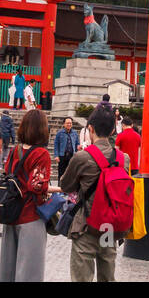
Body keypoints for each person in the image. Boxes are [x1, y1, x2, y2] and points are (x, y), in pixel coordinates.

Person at [58, 105, 130, 282]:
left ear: (90, 128)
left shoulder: (82, 157)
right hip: (109, 229)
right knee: (107, 275)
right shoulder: (124, 159)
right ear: (113, 129)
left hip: (86, 227)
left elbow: (66, 186)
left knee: (82, 277)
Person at [0, 109, 52, 282]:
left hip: (11, 212)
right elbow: (36, 185)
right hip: (30, 214)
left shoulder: (16, 151)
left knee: (8, 269)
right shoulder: (41, 153)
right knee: (30, 272)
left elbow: (7, 174)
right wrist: (54, 190)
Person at [54, 117, 80, 181]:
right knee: (61, 173)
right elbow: (56, 144)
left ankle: (69, 189)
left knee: (71, 173)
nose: (69, 124)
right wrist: (56, 155)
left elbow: (77, 143)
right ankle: (60, 189)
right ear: (64, 124)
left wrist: (77, 151)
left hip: (72, 156)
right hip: (62, 156)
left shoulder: (75, 133)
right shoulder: (59, 133)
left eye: (70, 123)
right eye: (67, 123)